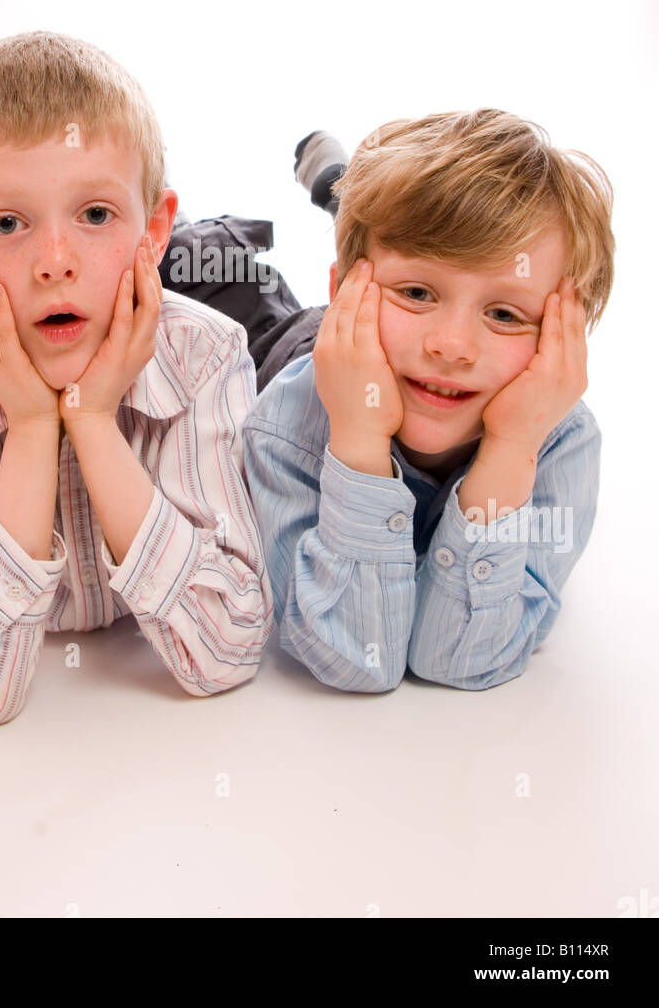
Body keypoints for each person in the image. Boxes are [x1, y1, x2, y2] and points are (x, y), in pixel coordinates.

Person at [0, 31, 274, 724]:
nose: (54, 259)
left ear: (152, 228)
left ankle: (269, 202)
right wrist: (37, 423)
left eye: (95, 213)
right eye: (7, 221)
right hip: (13, 322)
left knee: (242, 280)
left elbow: (226, 648)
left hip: (177, 289)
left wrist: (95, 423)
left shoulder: (209, 355)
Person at [241, 110, 616, 692]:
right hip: (324, 347)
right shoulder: (284, 425)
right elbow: (354, 658)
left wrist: (511, 452)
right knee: (238, 280)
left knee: (395, 245)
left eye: (504, 313)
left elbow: (459, 659)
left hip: (393, 345)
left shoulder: (561, 442)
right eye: (418, 291)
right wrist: (359, 441)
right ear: (342, 290)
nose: (453, 347)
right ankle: (335, 182)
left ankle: (350, 192)